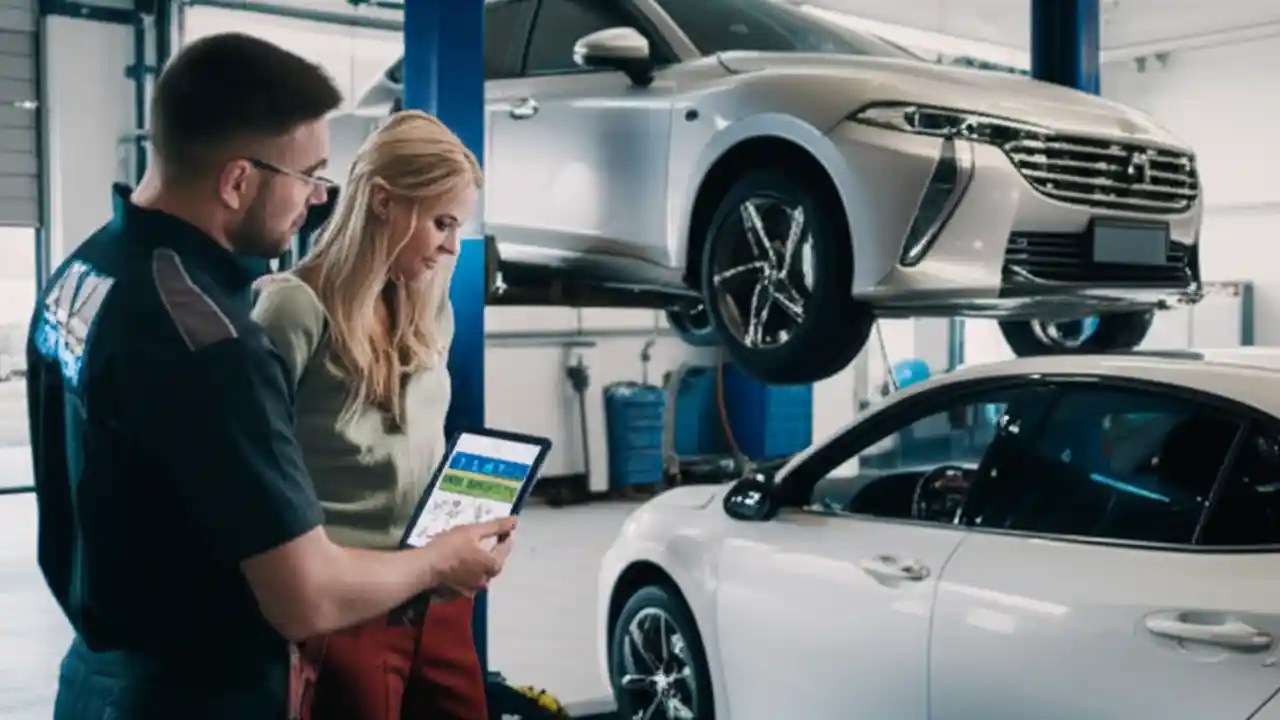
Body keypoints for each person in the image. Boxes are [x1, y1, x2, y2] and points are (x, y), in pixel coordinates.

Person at [25, 33, 514, 720]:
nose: (318, 200)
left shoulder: (83, 274)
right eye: (309, 176)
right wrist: (439, 563)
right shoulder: (212, 341)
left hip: (99, 674)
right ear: (237, 181)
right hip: (194, 692)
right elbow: (305, 596)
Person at [250, 109, 488, 720]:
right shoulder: (291, 311)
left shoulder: (431, 312)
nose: (451, 245)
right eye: (441, 223)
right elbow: (246, 475)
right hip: (344, 610)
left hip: (435, 597)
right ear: (383, 202)